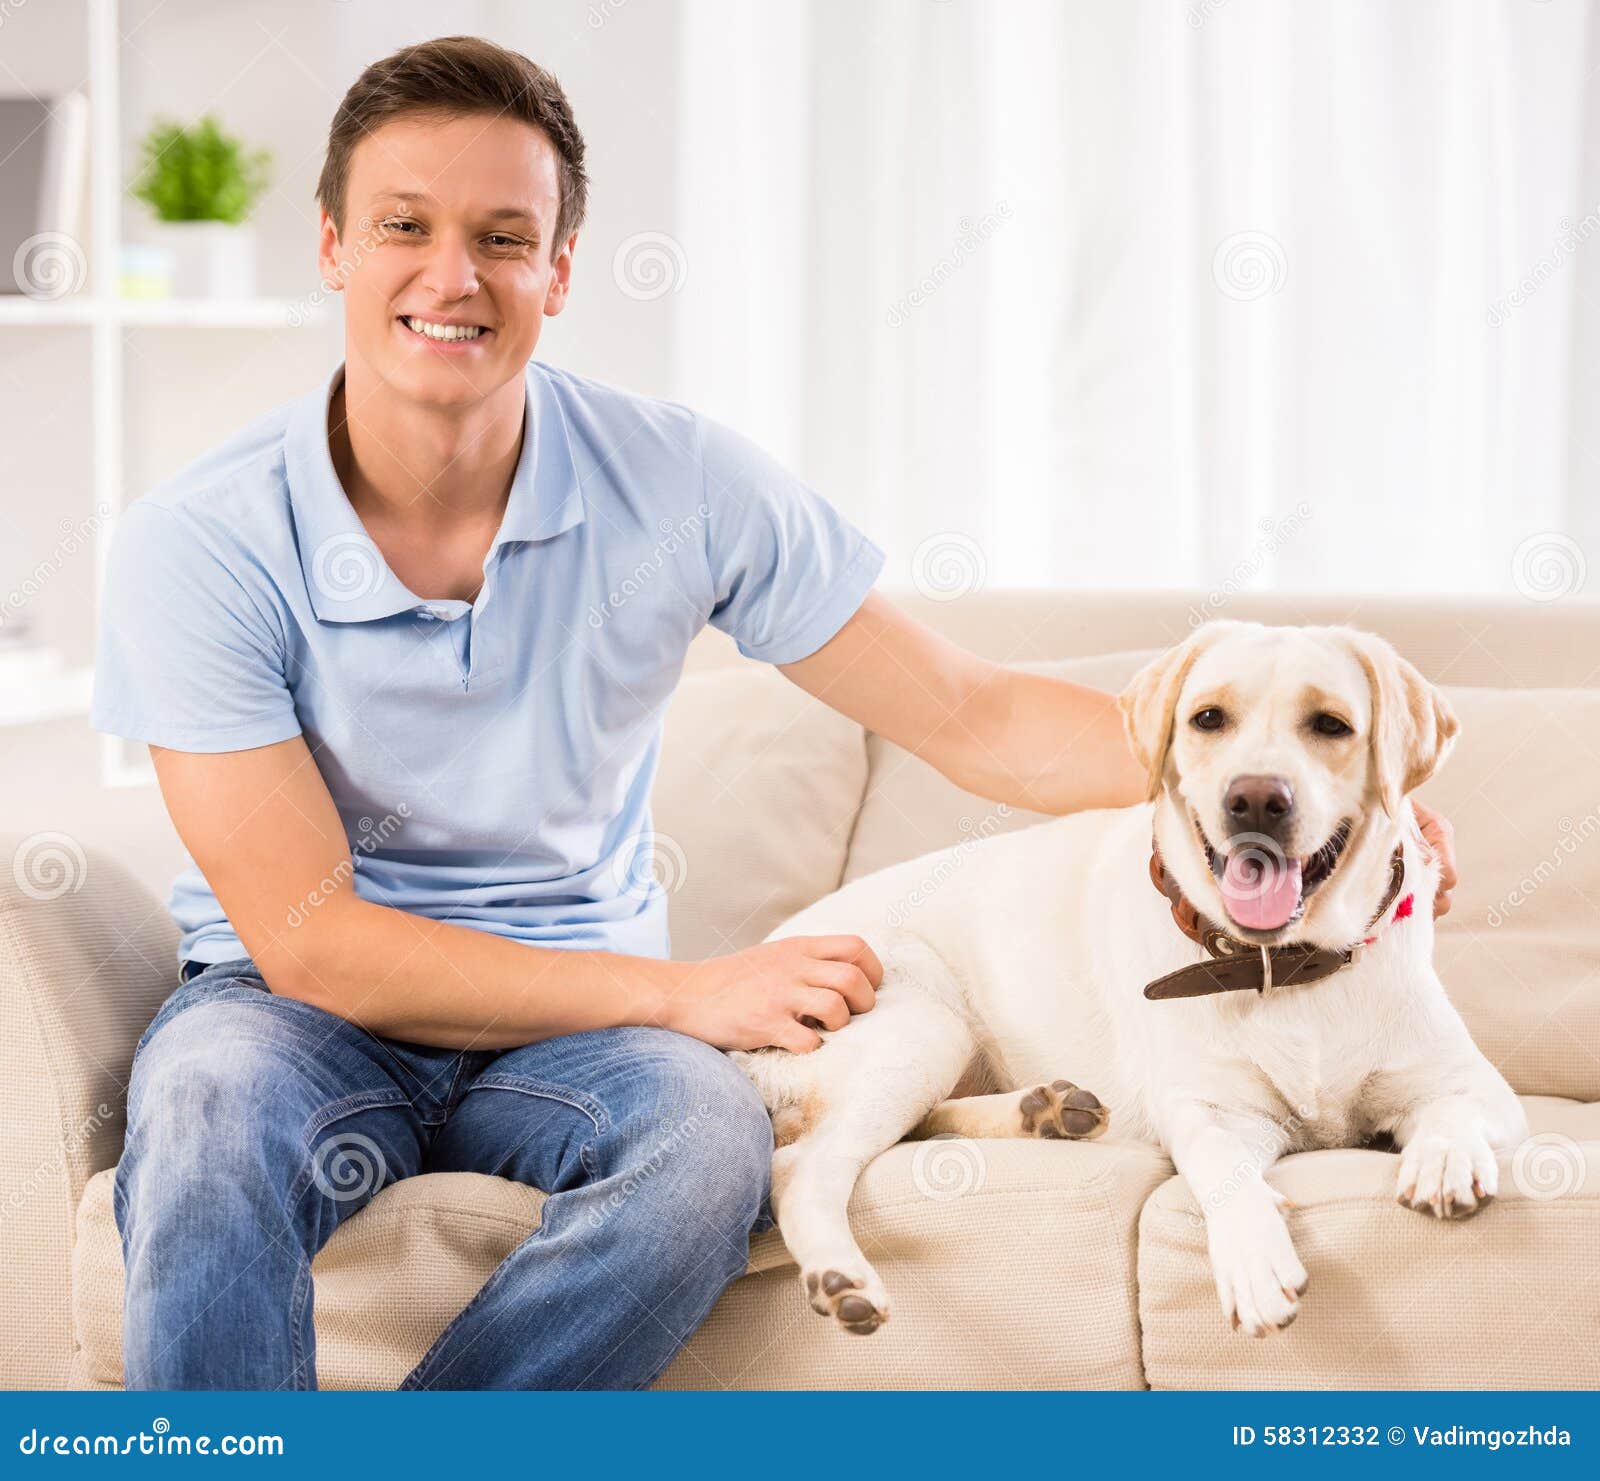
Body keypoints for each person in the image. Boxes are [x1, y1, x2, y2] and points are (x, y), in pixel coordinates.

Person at [89, 34, 1459, 1391]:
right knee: (207, 1109)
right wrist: (688, 991)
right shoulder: (201, 539)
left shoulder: (675, 482)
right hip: (290, 1014)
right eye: (405, 226)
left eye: (505, 236)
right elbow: (317, 943)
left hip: (580, 1039)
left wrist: (1323, 816)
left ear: (558, 271)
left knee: (706, 1149)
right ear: (332, 244)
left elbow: (974, 716)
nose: (454, 275)